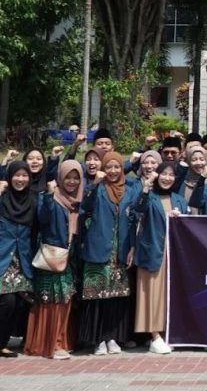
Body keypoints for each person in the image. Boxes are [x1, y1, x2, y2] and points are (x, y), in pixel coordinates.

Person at [79, 151, 137, 356]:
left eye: (117, 167)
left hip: (120, 252)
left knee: (116, 298)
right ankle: (98, 340)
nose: (113, 171)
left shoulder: (129, 191)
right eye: (109, 167)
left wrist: (132, 247)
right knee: (97, 298)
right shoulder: (97, 189)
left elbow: (133, 220)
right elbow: (84, 207)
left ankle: (112, 337)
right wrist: (94, 184)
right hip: (98, 251)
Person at [26, 159, 84, 360]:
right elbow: (43, 219)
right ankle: (50, 344)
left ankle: (61, 341)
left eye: (76, 178)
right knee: (51, 301)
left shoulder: (79, 200)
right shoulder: (49, 197)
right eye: (68, 177)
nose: (72, 182)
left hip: (71, 258)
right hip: (52, 258)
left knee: (65, 300)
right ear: (60, 178)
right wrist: (50, 196)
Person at [0, 161, 37, 362]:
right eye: (17, 175)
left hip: (22, 260)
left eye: (25, 176)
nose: (20, 179)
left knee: (19, 304)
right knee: (6, 301)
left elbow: (42, 222)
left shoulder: (32, 200)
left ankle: (3, 344)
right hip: (1, 258)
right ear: (10, 176)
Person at [133, 161, 189, 355]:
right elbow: (137, 210)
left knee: (170, 295)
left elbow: (188, 226)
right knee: (152, 296)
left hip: (175, 255)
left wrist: (180, 218)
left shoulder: (179, 199)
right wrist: (146, 188)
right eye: (163, 173)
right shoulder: (150, 197)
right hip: (153, 252)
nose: (167, 178)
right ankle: (154, 336)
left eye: (171, 175)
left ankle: (168, 334)